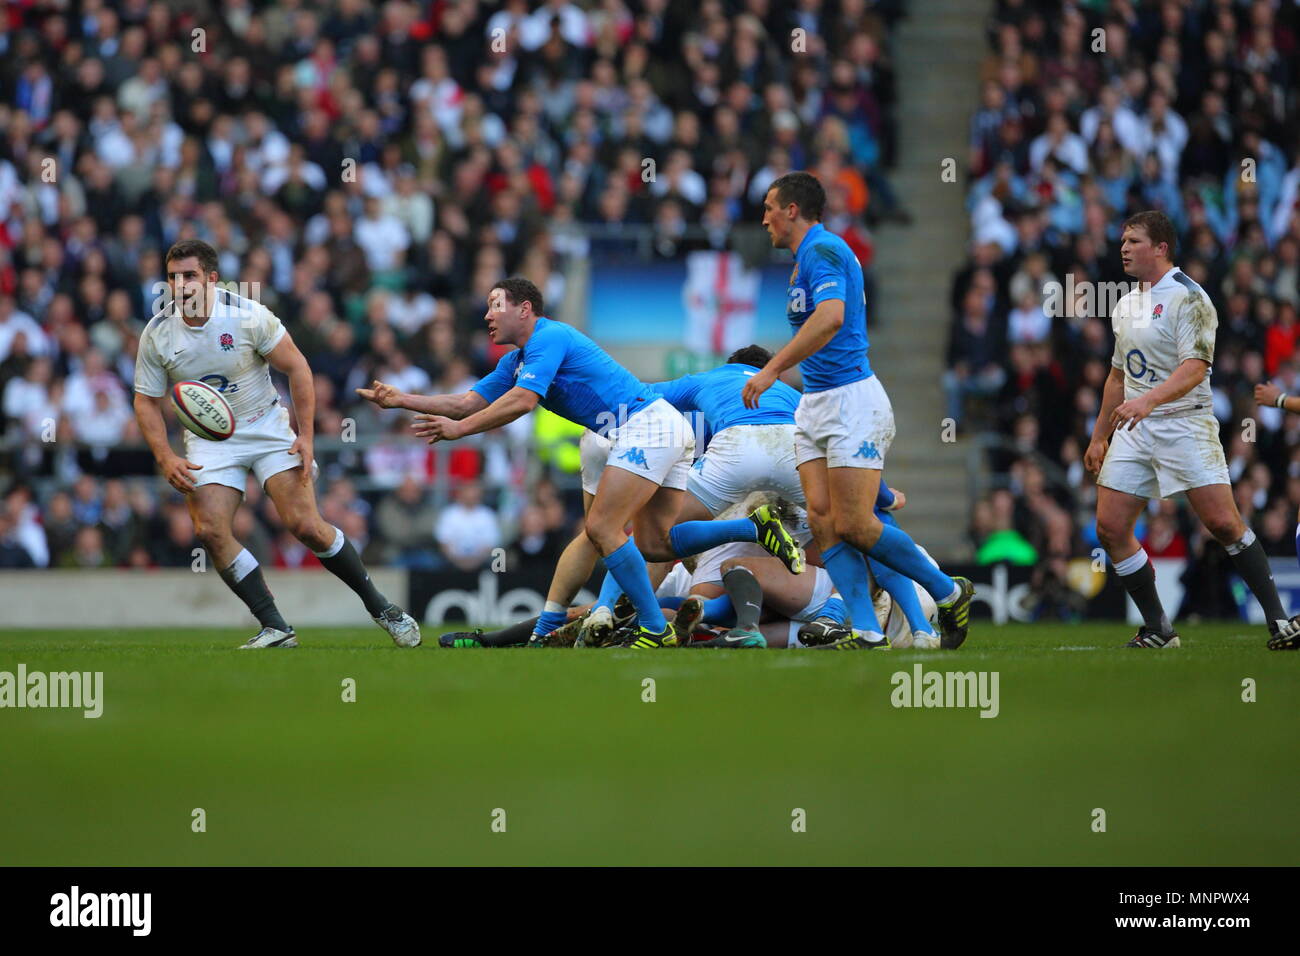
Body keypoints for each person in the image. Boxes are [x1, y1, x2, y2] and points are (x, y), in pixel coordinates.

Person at [358, 276, 801, 648]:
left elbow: (522, 403)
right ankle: (752, 527)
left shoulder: (548, 337)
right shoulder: (516, 361)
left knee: (602, 528)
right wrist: (401, 400)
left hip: (646, 429)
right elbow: (465, 401)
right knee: (655, 544)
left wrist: (457, 432)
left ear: (525, 309)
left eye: (496, 306)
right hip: (659, 429)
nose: (487, 316)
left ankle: (652, 627)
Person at [133, 238, 421, 649]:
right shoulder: (157, 333)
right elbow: (145, 400)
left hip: (266, 426)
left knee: (306, 527)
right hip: (209, 439)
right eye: (173, 277)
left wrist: (306, 436)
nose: (181, 286)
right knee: (210, 531)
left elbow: (298, 368)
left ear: (211, 279)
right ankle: (275, 626)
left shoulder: (248, 315)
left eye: (190, 276)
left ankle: (382, 608)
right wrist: (164, 455)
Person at [742, 171, 974, 649]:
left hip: (852, 402)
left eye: (769, 207)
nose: (762, 217)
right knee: (824, 521)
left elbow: (831, 318)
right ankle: (867, 629)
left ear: (792, 210)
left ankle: (948, 590)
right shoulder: (803, 259)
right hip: (817, 405)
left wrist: (771, 370)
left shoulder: (823, 250)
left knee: (856, 524)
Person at [1084, 211, 1296, 649]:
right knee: (1109, 527)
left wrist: (1147, 400)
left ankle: (1279, 621)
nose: (1123, 248)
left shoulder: (1190, 298)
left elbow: (1195, 369)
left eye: (1134, 241)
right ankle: (1159, 627)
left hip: (1185, 421)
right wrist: (1098, 435)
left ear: (1160, 248)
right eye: (1123, 240)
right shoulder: (1124, 304)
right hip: (1135, 425)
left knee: (1223, 523)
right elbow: (1117, 376)